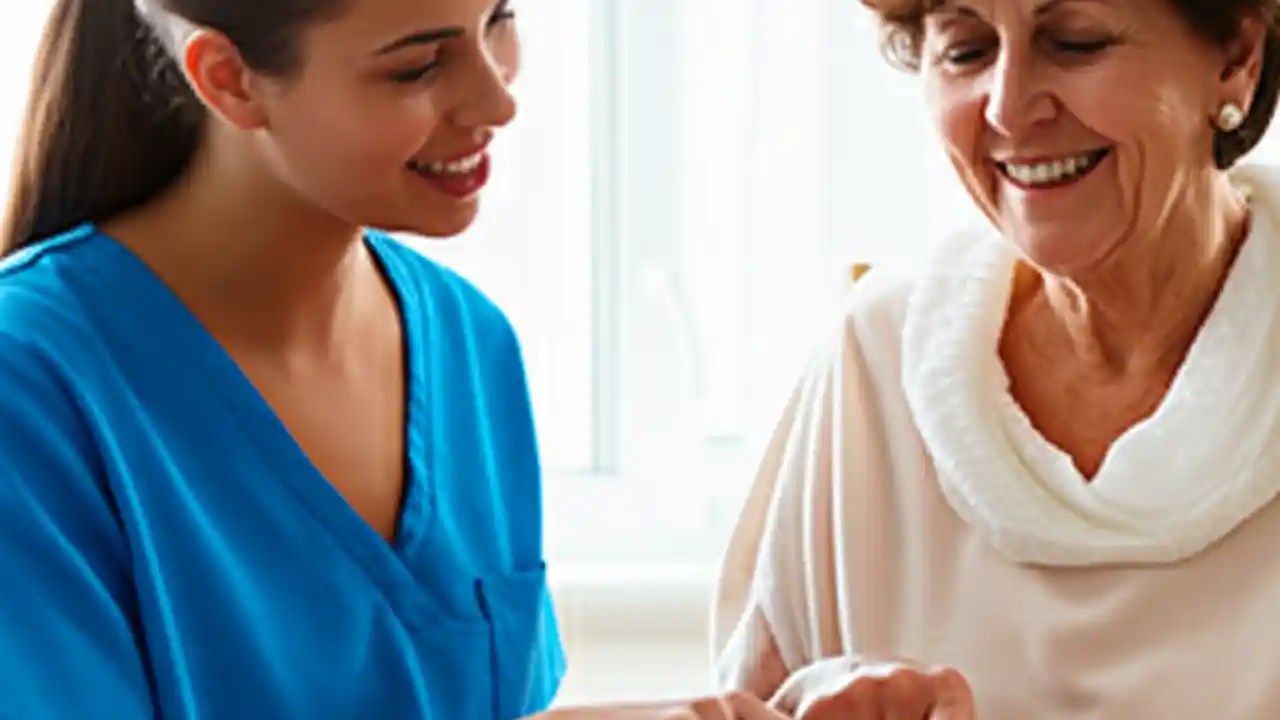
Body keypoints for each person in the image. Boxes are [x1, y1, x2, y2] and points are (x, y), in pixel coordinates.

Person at [0, 1, 790, 718]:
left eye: (499, 22)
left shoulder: (469, 343)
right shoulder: (31, 385)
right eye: (418, 66)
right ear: (230, 80)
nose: (498, 101)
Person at [713, 0, 1280, 717]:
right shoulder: (876, 361)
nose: (1009, 110)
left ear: (1237, 60)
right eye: (967, 51)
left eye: (1075, 43)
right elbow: (752, 699)